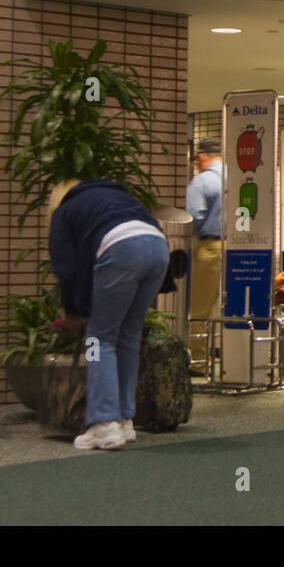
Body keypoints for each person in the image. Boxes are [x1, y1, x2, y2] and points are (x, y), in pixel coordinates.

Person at [48, 178, 175, 450]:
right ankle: (124, 418)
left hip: (120, 247)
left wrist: (72, 309)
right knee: (128, 336)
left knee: (99, 339)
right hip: (159, 247)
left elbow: (66, 267)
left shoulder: (65, 211)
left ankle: (104, 424)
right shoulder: (117, 197)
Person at [185, 138, 223, 372]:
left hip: (209, 247)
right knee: (236, 303)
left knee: (200, 308)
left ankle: (199, 362)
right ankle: (243, 359)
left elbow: (194, 218)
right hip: (240, 248)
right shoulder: (237, 178)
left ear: (201, 157)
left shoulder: (201, 182)